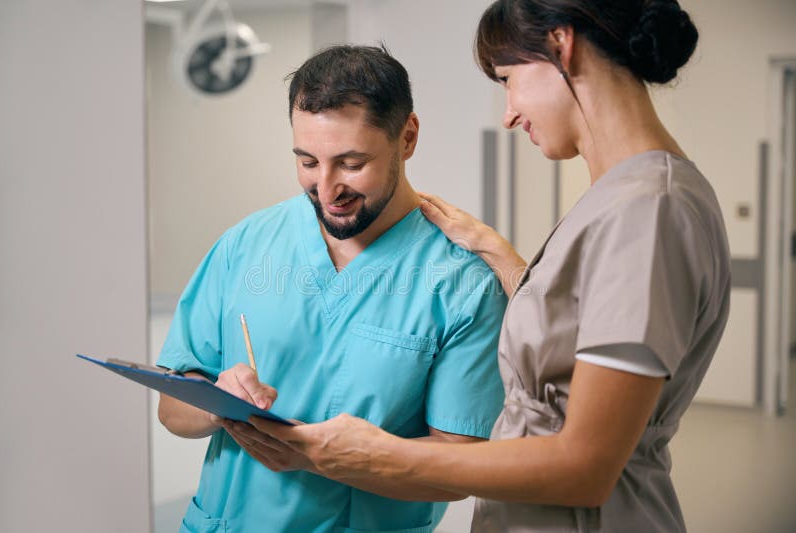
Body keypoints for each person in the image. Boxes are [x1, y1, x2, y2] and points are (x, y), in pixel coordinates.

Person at [241, 1, 731, 531]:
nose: (509, 112)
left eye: (507, 79)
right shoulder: (624, 197)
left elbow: (585, 465)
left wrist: (377, 455)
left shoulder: (647, 210)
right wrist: (505, 259)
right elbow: (579, 339)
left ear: (561, 46)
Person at [156, 45, 508, 532]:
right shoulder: (245, 245)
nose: (325, 188)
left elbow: (458, 471)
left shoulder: (463, 283)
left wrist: (330, 459)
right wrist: (218, 403)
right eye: (307, 161)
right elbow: (173, 408)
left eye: (351, 163)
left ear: (407, 137)